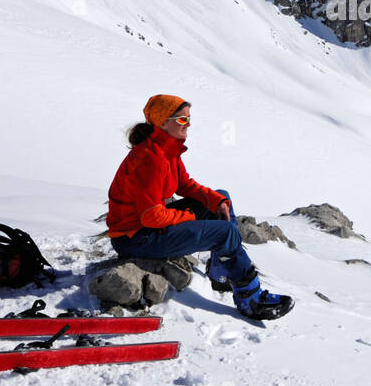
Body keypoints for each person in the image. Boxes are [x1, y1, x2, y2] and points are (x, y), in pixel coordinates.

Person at [106, 94, 293, 321]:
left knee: (221, 199)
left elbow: (183, 184)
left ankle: (220, 272)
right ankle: (250, 299)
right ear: (163, 122)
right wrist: (185, 217)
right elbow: (151, 216)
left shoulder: (166, 150)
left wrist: (216, 200)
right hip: (135, 238)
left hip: (145, 228)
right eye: (183, 120)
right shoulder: (151, 158)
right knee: (225, 232)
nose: (189, 124)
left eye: (189, 119)